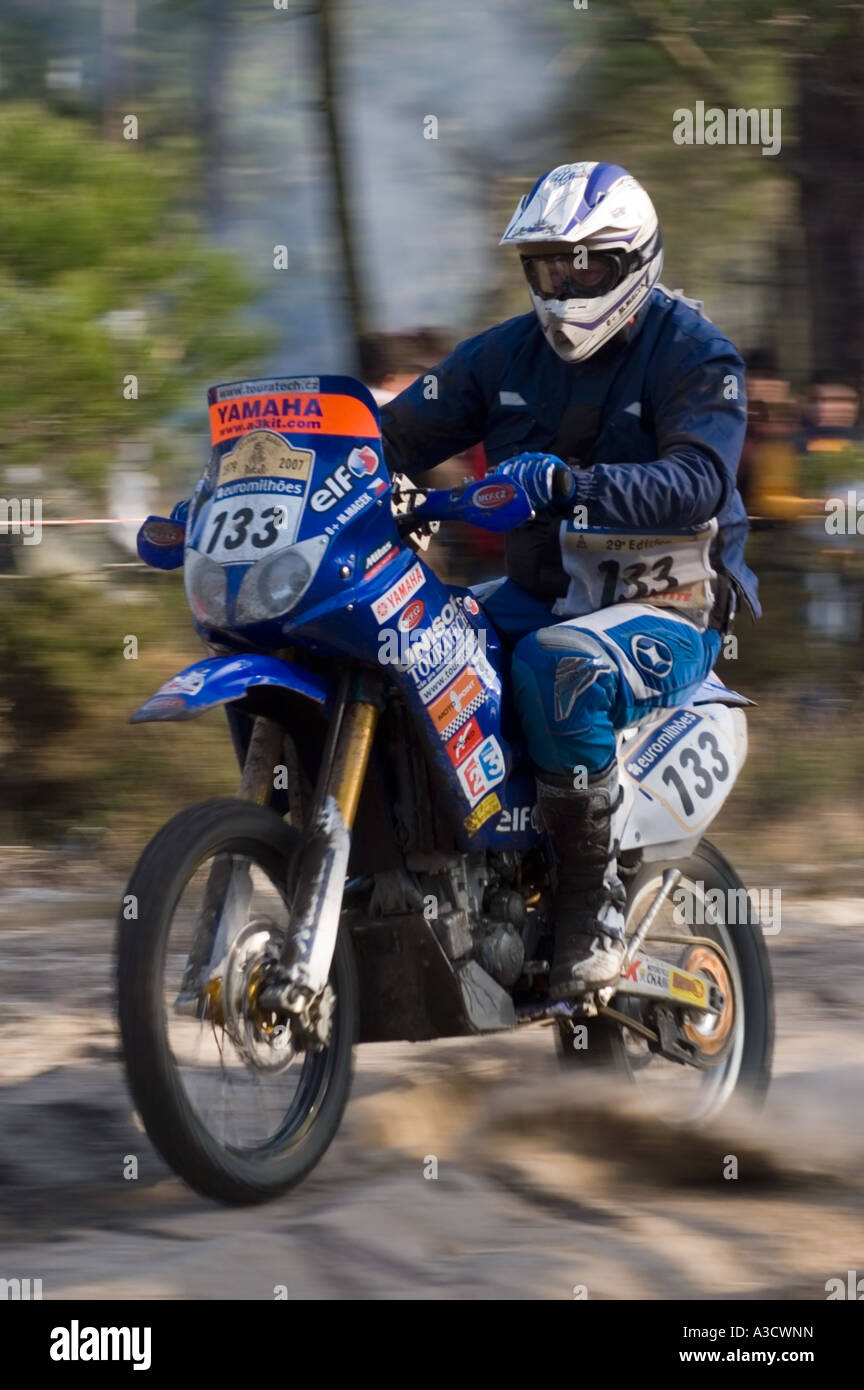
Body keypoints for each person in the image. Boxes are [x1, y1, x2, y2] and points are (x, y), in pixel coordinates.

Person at [381, 160, 759, 998]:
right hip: (541, 592)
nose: (565, 282)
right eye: (550, 264)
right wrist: (276, 471)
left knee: (560, 665)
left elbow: (700, 479)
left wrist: (567, 485)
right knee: (404, 646)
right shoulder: (504, 353)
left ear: (633, 261)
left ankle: (589, 908)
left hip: (667, 601)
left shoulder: (697, 354)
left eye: (586, 263)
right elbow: (391, 432)